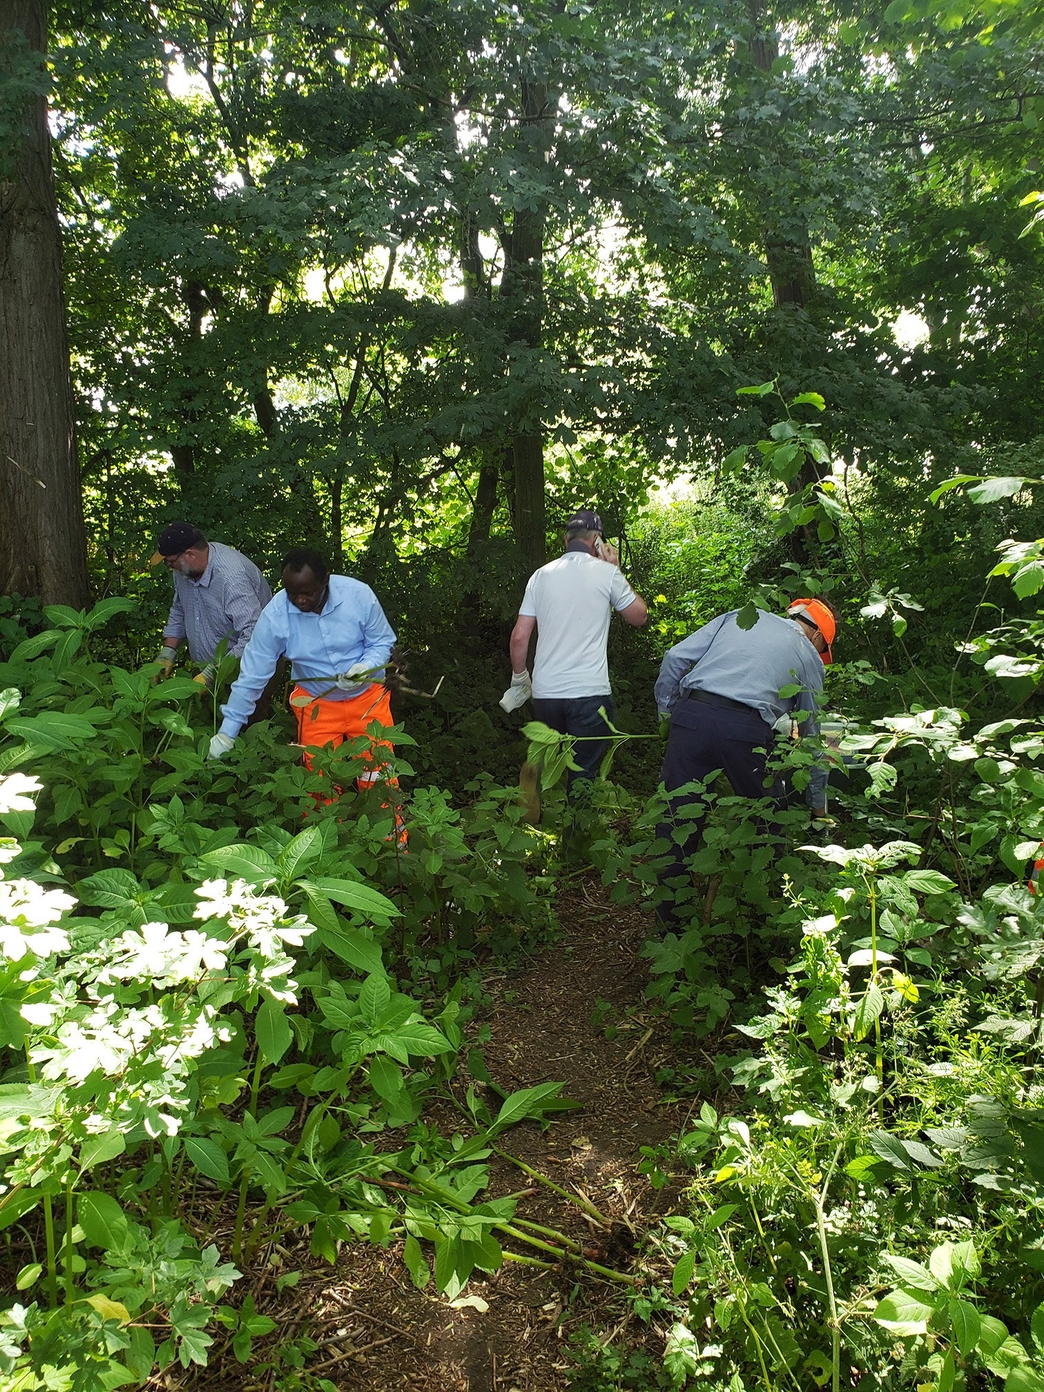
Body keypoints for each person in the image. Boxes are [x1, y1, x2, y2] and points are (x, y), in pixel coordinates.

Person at [653, 597, 836, 888]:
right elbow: (812, 735)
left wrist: (669, 712)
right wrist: (818, 810)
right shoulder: (807, 654)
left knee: (678, 819)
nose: (819, 654)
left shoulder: (740, 614)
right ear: (816, 636)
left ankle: (669, 919)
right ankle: (763, 908)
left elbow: (675, 657)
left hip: (691, 715)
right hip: (744, 729)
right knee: (768, 821)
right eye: (822, 649)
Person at [208, 549, 399, 802]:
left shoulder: (358, 595)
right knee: (319, 784)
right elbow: (252, 674)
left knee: (379, 777)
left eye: (308, 593)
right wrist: (227, 732)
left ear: (326, 580)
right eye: (292, 594)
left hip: (368, 699)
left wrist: (365, 667)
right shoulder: (275, 616)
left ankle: (393, 840)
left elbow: (382, 642)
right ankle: (325, 839)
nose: (300, 601)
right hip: (315, 703)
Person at [505, 510, 648, 796]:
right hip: (589, 694)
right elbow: (639, 616)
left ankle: (538, 785)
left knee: (553, 754)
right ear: (597, 541)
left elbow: (520, 636)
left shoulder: (540, 576)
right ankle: (574, 831)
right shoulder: (607, 574)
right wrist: (615, 568)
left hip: (546, 694)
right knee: (583, 773)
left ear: (565, 539)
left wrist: (520, 678)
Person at [149, 521, 271, 688]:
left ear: (190, 555)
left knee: (245, 715)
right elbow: (180, 609)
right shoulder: (184, 569)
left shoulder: (232, 578)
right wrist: (167, 653)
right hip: (206, 671)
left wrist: (212, 673)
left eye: (170, 562)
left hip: (249, 673)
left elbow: (254, 634)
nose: (170, 568)